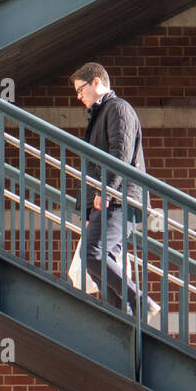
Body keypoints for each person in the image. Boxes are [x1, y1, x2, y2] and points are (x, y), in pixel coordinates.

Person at [70, 63, 145, 316]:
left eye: (81, 90)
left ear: (95, 83)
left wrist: (107, 190)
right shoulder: (101, 113)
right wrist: (90, 212)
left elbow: (120, 155)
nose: (79, 96)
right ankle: (122, 321)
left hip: (118, 200)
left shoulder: (117, 108)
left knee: (92, 254)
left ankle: (138, 300)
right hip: (106, 200)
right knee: (101, 262)